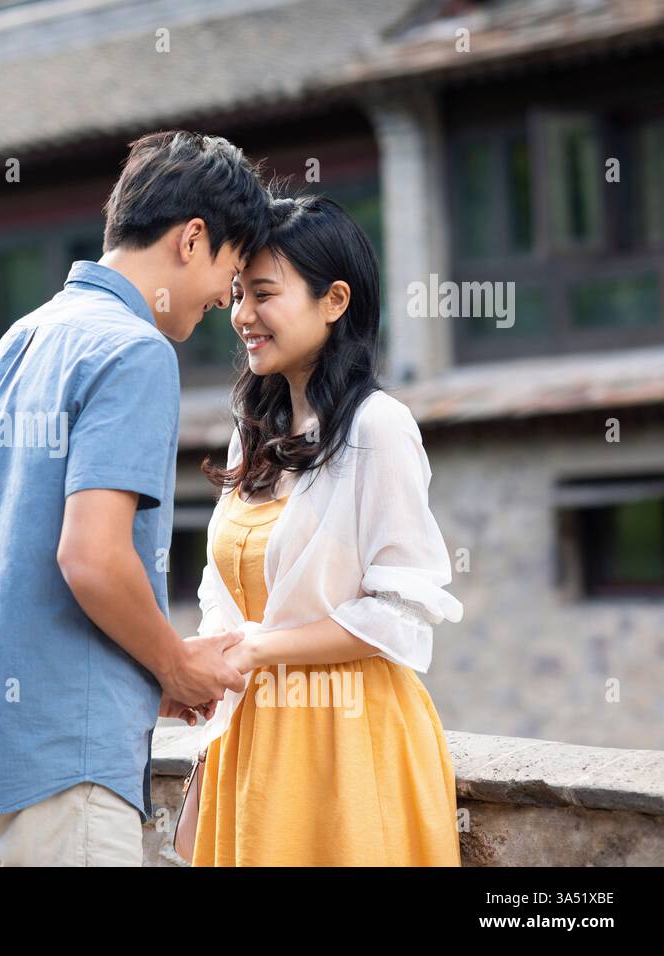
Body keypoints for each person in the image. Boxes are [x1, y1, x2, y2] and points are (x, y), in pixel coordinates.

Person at [0, 130, 272, 866]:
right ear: (192, 239)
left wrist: (144, 671)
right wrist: (176, 666)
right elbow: (89, 557)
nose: (228, 298)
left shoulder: (16, 343)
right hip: (69, 769)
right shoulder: (134, 349)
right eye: (232, 269)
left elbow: (12, 566)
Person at [190, 194, 465, 866]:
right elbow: (220, 593)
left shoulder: (378, 428)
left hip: (349, 738)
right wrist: (204, 663)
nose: (242, 316)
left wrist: (254, 652)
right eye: (235, 294)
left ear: (334, 301)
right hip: (252, 736)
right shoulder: (251, 432)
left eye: (263, 293)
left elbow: (400, 614)